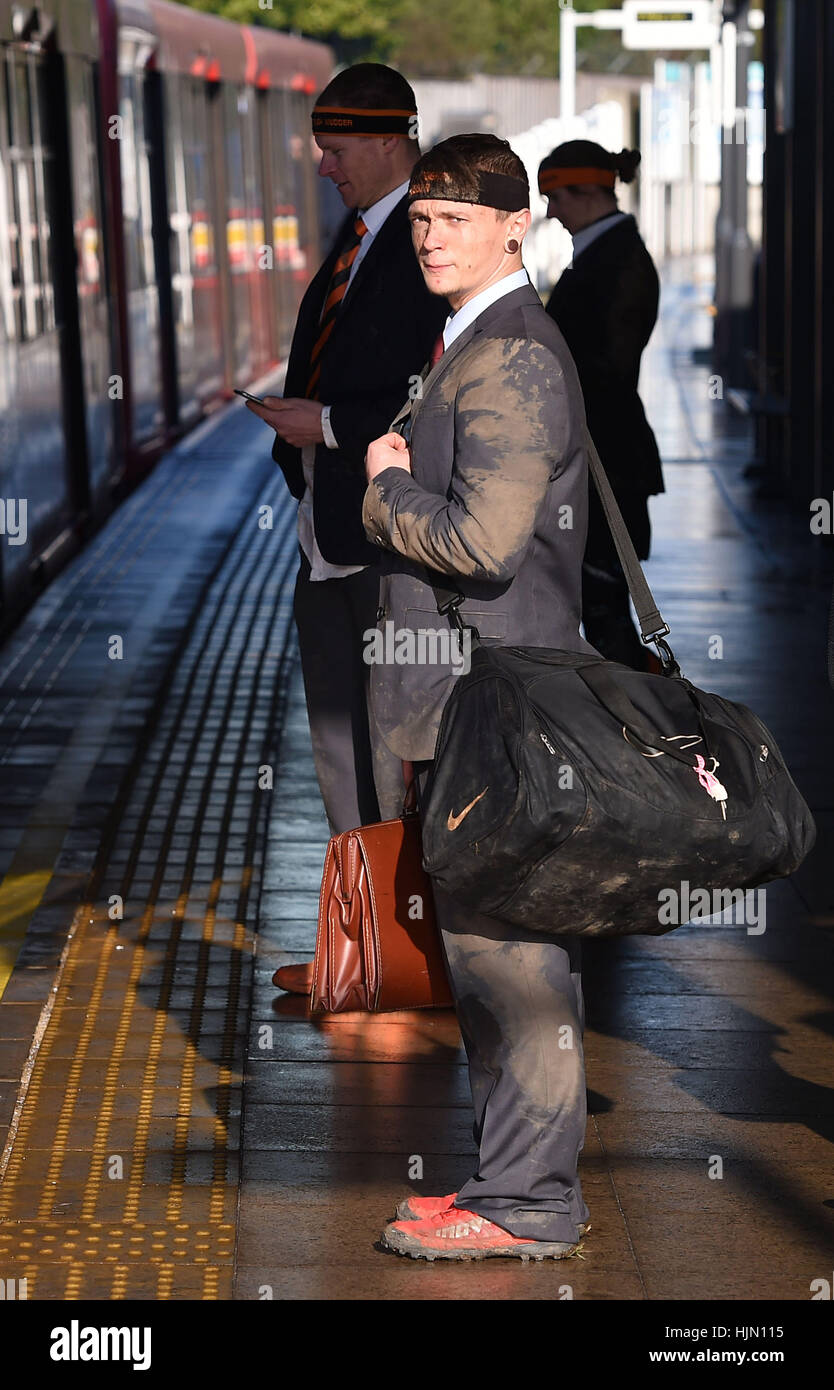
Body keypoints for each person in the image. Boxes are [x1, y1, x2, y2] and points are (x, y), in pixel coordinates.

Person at [363, 133, 597, 1260]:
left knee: (515, 963)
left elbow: (485, 545)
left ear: (516, 226)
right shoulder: (477, 339)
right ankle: (507, 1182)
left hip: (496, 705)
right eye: (420, 219)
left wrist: (385, 488)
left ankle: (532, 1202)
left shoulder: (510, 354)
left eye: (456, 218)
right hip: (479, 701)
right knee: (490, 957)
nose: (430, 236)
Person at [245, 66, 448, 994]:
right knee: (341, 745)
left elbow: (427, 398)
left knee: (388, 748)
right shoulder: (362, 235)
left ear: (388, 140)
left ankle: (401, 956)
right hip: (328, 529)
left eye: (335, 149)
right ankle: (364, 949)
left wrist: (323, 425)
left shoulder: (421, 244)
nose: (323, 166)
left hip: (383, 540)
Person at [539, 140, 664, 671]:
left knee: (606, 617)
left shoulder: (620, 262)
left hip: (608, 466)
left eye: (555, 197)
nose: (550, 212)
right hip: (601, 463)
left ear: (588, 191)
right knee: (601, 615)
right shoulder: (605, 254)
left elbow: (607, 368)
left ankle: (644, 713)